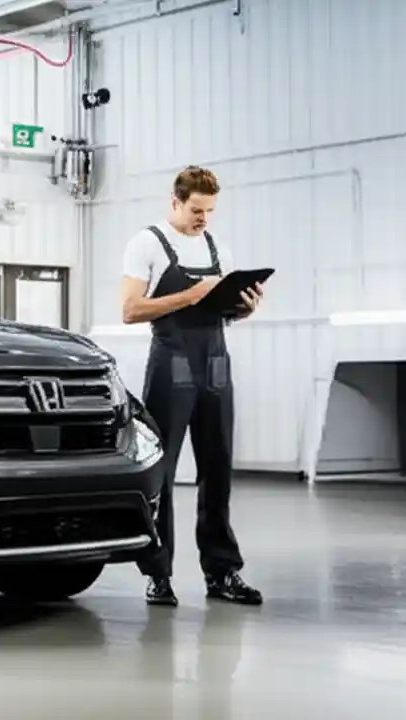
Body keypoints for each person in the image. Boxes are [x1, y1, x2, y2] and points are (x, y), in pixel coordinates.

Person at [119, 165, 264, 607]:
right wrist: (190, 295)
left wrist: (246, 307)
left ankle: (223, 573)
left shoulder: (218, 245)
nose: (204, 218)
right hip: (172, 363)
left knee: (218, 470)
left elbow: (222, 310)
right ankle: (158, 574)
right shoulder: (147, 242)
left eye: (210, 211)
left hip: (217, 362)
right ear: (175, 202)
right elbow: (129, 310)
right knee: (161, 474)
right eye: (197, 210)